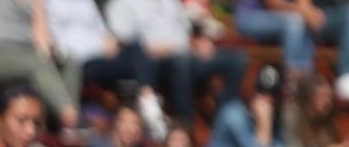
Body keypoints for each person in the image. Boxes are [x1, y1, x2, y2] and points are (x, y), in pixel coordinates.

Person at [106, 0, 248, 124]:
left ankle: (225, 119)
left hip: (186, 53)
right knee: (181, 63)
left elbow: (184, 31)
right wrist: (157, 48)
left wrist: (199, 42)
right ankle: (186, 122)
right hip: (156, 64)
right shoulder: (124, 3)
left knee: (236, 59)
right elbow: (123, 42)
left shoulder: (171, 2)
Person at [0, 0, 81, 131]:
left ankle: (59, 123)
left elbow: (42, 39)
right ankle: (69, 118)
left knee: (69, 62)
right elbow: (41, 39)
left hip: (23, 54)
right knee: (39, 64)